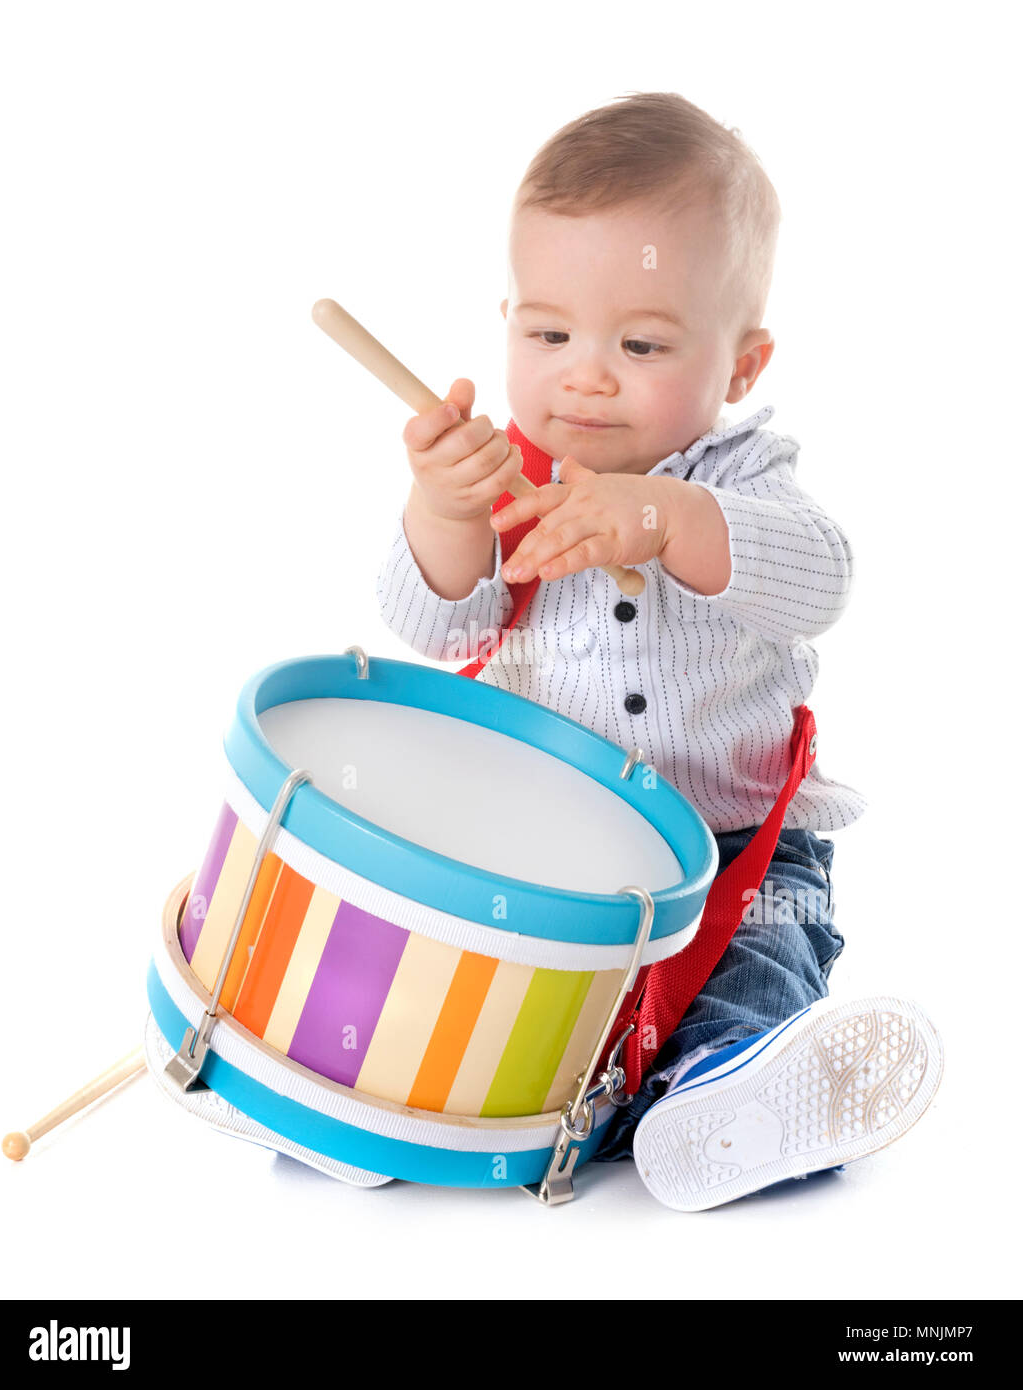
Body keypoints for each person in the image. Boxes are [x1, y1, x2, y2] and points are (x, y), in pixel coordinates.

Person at [375, 91, 942, 1210]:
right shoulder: (503, 481)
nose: (585, 374)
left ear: (740, 364)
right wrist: (442, 511)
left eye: (639, 343)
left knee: (755, 971)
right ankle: (436, 1099)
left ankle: (723, 1099)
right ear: (507, 323)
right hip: (543, 866)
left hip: (733, 855)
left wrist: (663, 522)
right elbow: (429, 627)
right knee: (481, 991)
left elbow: (820, 577)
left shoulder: (739, 479)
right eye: (548, 335)